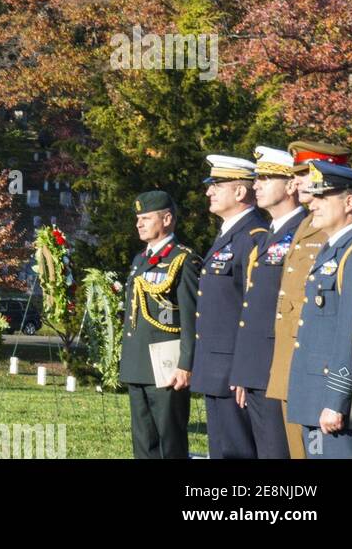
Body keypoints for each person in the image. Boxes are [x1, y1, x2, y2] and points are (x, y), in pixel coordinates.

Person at [268, 141, 350, 458]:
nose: (298, 181)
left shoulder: (344, 229)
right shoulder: (305, 223)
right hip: (294, 356)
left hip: (324, 365)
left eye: (306, 173)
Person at [287, 161, 352, 459]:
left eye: (323, 197)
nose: (314, 204)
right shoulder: (334, 249)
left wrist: (336, 399)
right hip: (315, 395)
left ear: (349, 202)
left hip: (334, 404)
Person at [193, 154, 267, 458]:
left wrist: (243, 371)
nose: (209, 191)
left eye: (217, 185)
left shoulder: (253, 236)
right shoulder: (229, 234)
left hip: (233, 371)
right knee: (221, 450)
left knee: (236, 452)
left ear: (239, 192)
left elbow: (255, 311)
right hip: (216, 368)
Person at [119, 190, 202, 459]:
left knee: (170, 441)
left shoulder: (183, 259)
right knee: (143, 442)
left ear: (167, 219)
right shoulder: (139, 260)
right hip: (138, 362)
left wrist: (186, 363)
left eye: (146, 218)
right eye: (137, 218)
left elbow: (191, 317)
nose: (138, 223)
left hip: (167, 364)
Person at [230, 147, 302, 458]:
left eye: (266, 177)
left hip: (280, 366)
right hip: (259, 368)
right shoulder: (269, 235)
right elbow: (254, 307)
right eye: (257, 178)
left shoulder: (302, 232)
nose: (256, 184)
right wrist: (245, 371)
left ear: (290, 185)